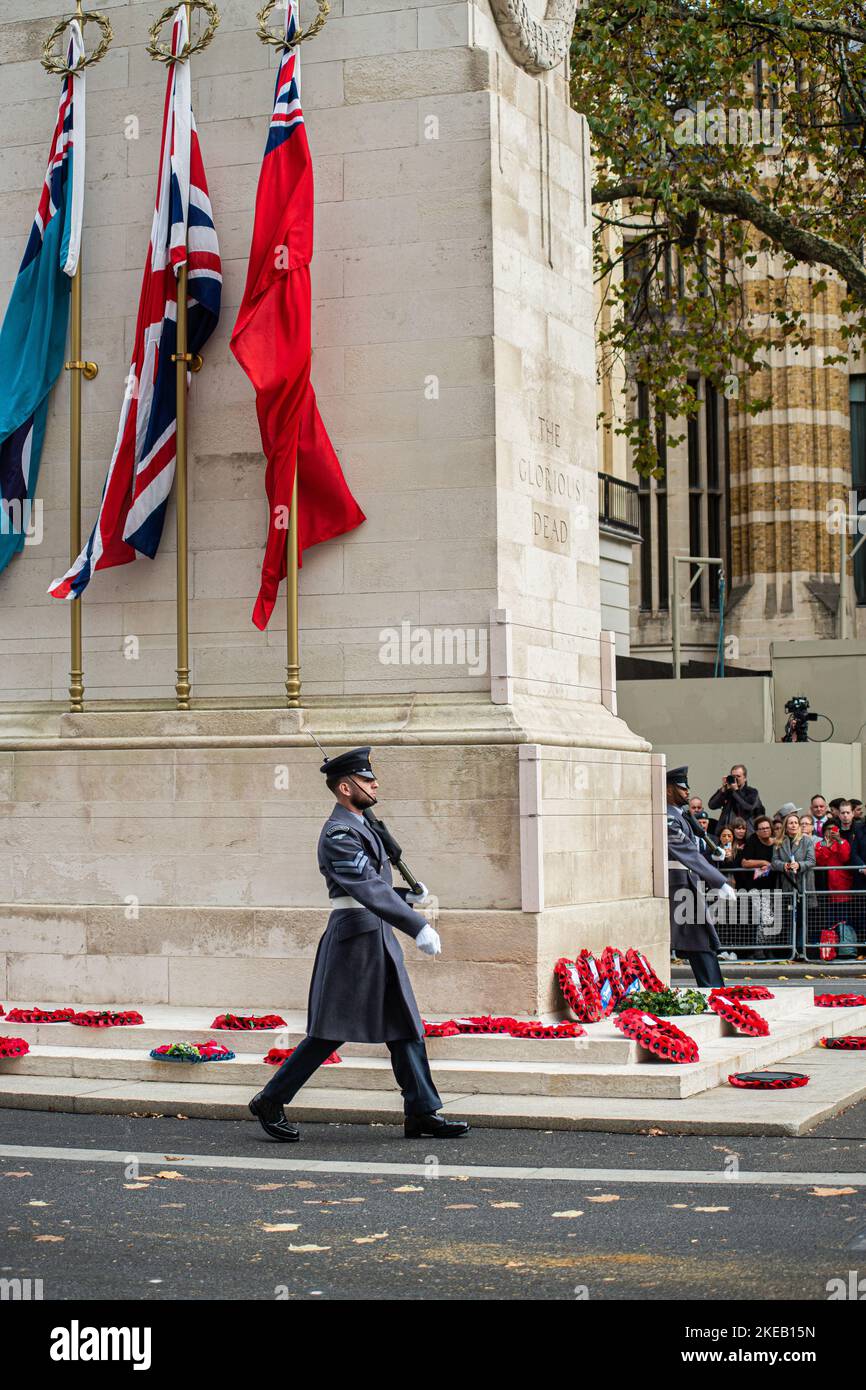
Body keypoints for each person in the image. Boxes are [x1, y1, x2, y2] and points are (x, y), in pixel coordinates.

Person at [248, 746, 470, 1143]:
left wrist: (404, 896)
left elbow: (375, 884)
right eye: (368, 781)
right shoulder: (338, 833)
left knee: (405, 1026)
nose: (375, 784)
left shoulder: (362, 825)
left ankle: (422, 1112)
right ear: (346, 787)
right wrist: (416, 923)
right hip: (355, 937)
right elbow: (363, 886)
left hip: (378, 931)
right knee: (329, 1030)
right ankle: (270, 1099)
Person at [666, 766, 735, 987]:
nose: (687, 791)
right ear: (668, 790)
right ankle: (715, 992)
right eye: (681, 787)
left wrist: (713, 849)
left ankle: (714, 991)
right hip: (677, 888)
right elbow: (686, 851)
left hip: (687, 885)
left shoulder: (681, 815)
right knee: (699, 940)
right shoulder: (668, 817)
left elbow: (695, 845)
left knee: (701, 942)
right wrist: (719, 881)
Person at [772, 811, 815, 956]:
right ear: (786, 825)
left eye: (796, 823)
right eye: (790, 822)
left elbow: (811, 860)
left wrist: (799, 865)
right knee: (789, 918)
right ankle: (790, 950)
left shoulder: (806, 840)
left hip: (803, 884)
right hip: (787, 884)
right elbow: (774, 861)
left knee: (803, 919)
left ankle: (801, 949)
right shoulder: (779, 841)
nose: (794, 825)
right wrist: (783, 866)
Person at [707, 764, 765, 832]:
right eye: (733, 776)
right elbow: (711, 805)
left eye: (738, 776)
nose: (735, 779)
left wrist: (736, 791)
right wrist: (722, 790)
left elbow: (748, 806)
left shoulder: (752, 792)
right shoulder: (727, 791)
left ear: (745, 778)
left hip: (745, 833)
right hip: (726, 832)